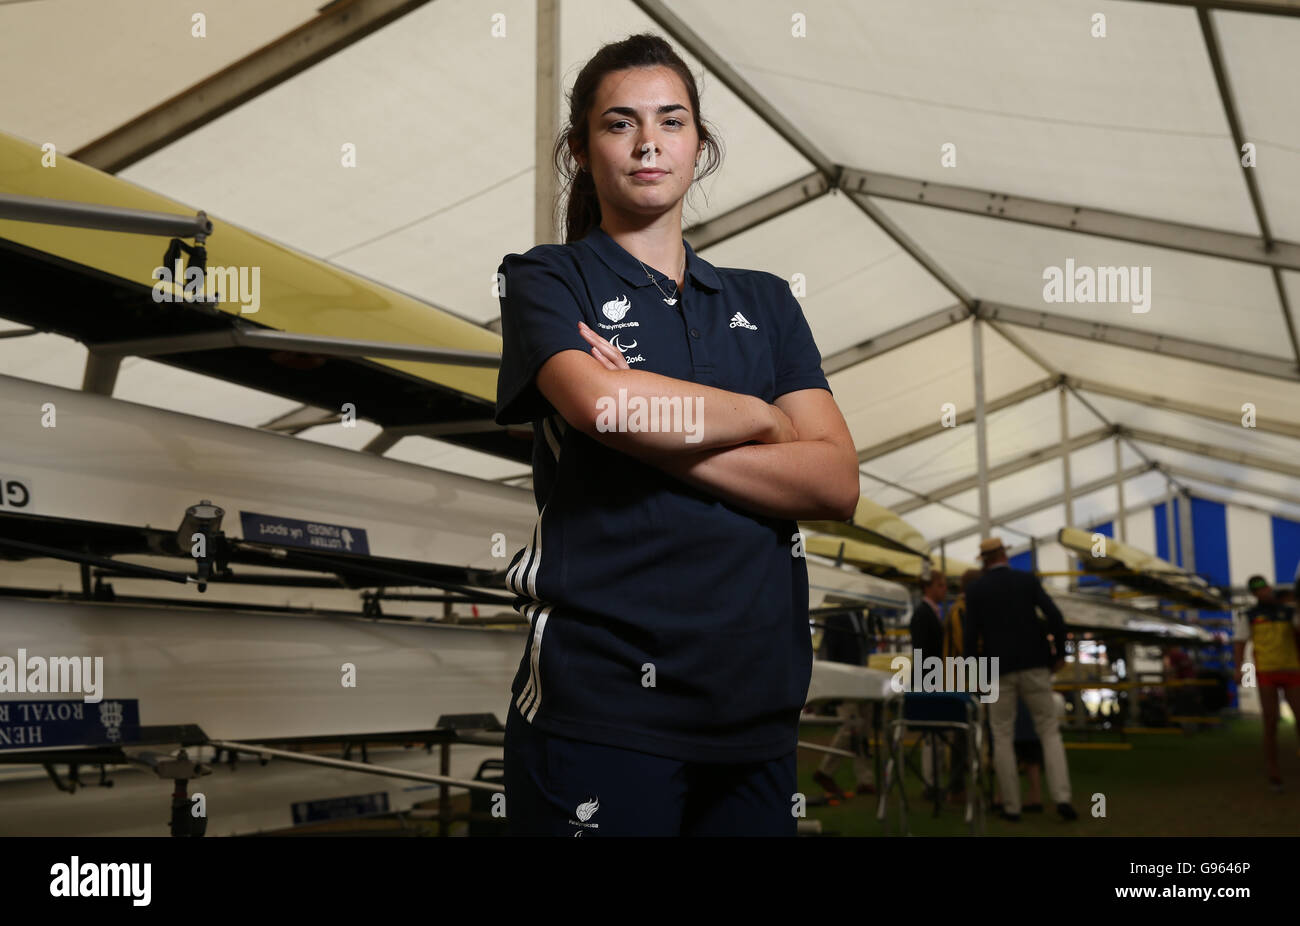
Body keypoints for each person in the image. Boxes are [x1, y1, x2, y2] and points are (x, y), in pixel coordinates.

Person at [493, 34, 860, 836]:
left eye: (672, 120)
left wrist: (650, 425)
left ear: (700, 143)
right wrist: (765, 421)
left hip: (756, 707)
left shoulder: (765, 302)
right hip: (602, 700)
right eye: (620, 124)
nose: (649, 142)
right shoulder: (546, 278)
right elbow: (606, 411)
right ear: (582, 151)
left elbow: (836, 484)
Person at [964, 537, 1077, 822]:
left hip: (997, 670)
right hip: (1035, 664)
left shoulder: (976, 590)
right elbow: (1054, 615)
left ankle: (1011, 806)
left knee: (1001, 736)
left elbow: (969, 637)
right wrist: (1059, 652)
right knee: (1049, 731)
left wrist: (974, 672)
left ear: (984, 560)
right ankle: (1062, 798)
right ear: (1004, 554)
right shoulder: (1027, 581)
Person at [1236, 576, 1300, 792]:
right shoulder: (1249, 616)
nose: (1262, 592)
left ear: (1269, 588)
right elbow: (1240, 643)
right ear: (1253, 594)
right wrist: (1241, 671)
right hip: (1265, 673)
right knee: (1270, 721)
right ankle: (1273, 770)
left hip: (1292, 670)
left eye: (1264, 587)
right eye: (1257, 590)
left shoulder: (1289, 612)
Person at [811, 608, 876, 803]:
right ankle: (825, 771)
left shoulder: (858, 614)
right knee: (851, 728)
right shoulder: (837, 616)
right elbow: (830, 651)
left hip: (861, 679)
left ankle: (865, 780)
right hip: (845, 682)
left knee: (862, 730)